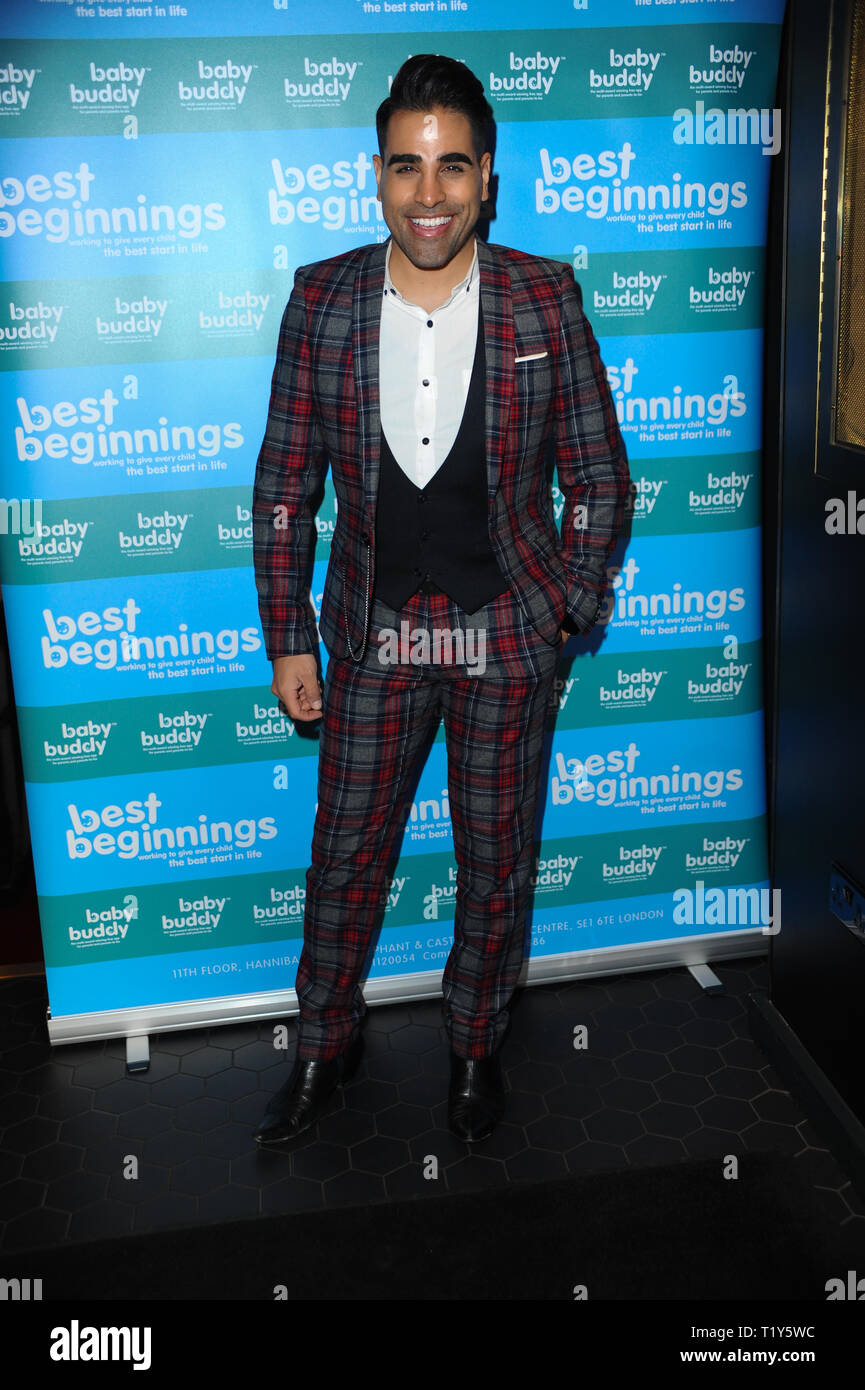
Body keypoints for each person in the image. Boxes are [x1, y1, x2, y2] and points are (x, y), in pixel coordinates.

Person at [251, 54, 629, 1147]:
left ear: (487, 176)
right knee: (343, 859)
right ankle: (324, 1046)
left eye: (451, 166)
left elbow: (600, 478)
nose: (430, 194)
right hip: (370, 638)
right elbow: (285, 488)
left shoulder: (543, 296)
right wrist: (289, 636)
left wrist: (567, 607)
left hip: (507, 635)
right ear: (376, 175)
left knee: (497, 858)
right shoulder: (320, 298)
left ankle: (473, 1051)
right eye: (407, 167)